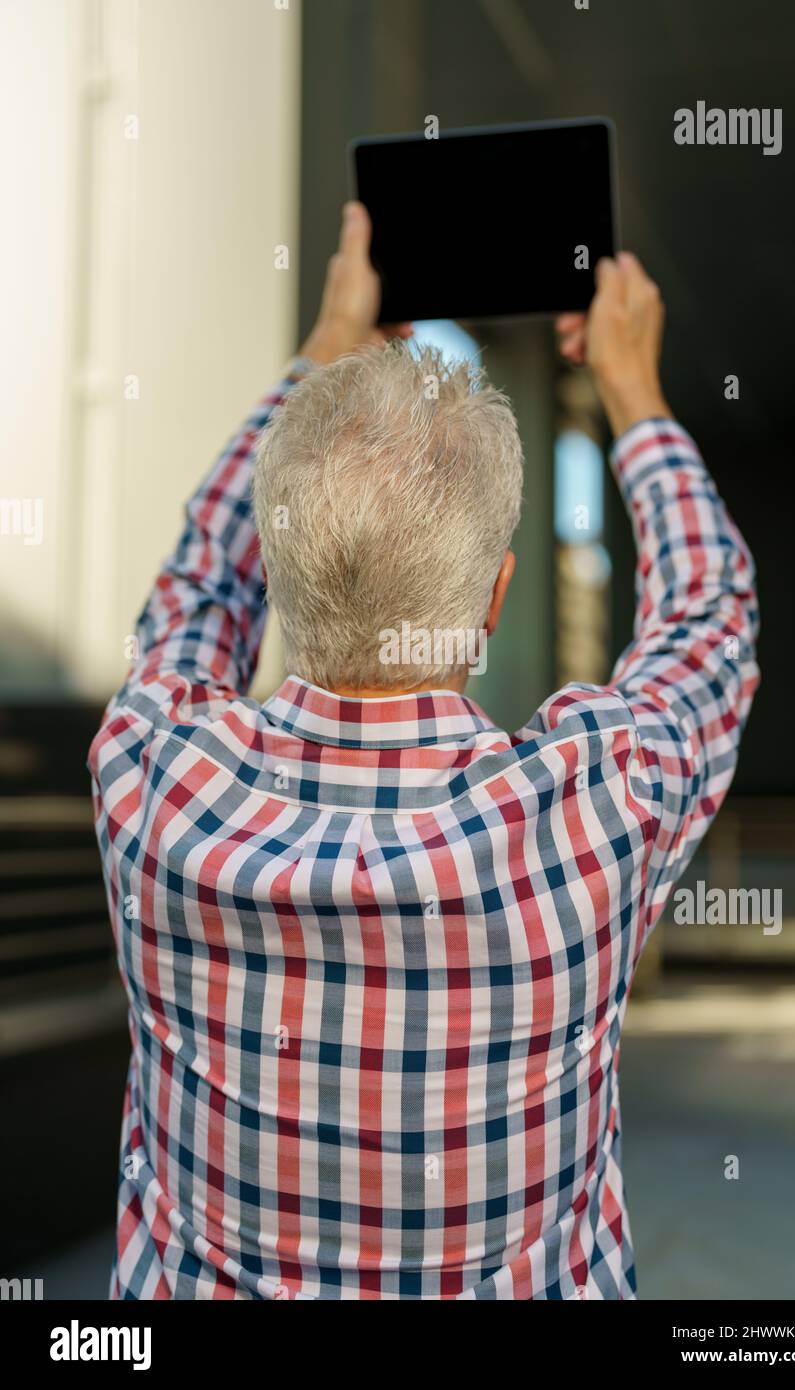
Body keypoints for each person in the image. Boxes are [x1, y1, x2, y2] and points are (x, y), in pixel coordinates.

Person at [90, 201, 759, 1300]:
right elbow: (709, 624)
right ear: (494, 597)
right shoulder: (594, 807)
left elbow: (196, 594)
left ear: (280, 572)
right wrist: (632, 391)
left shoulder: (152, 780)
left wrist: (321, 350)